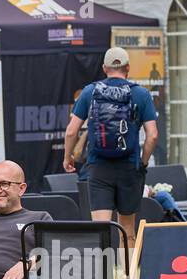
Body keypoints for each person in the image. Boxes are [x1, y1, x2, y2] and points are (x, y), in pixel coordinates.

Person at [62, 47, 158, 238]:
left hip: (99, 167)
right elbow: (152, 135)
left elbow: (72, 131)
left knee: (100, 229)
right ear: (128, 68)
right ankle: (128, 269)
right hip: (129, 166)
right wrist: (143, 163)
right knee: (128, 232)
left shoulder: (90, 91)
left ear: (104, 68)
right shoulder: (141, 94)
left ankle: (103, 269)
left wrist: (68, 157)